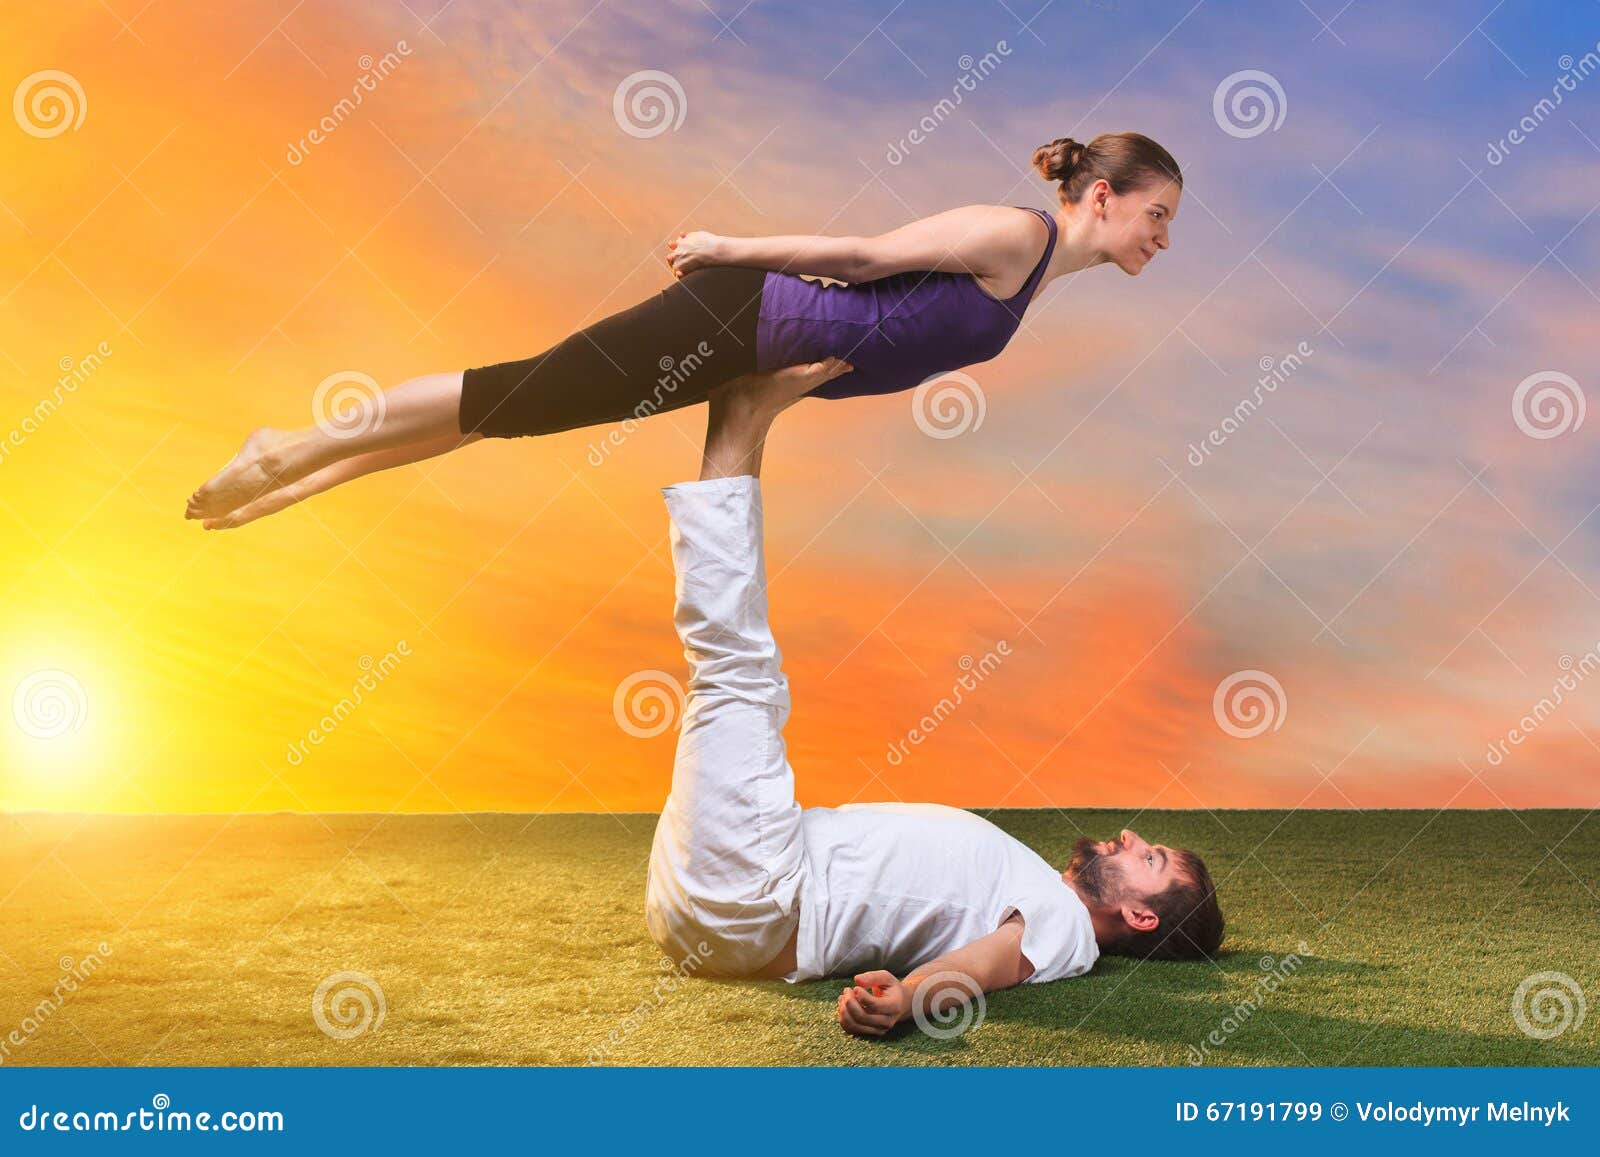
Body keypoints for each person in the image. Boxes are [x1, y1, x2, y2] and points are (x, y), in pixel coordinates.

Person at [185, 132, 1181, 529]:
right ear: (1103, 194)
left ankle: (293, 478)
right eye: (1157, 215)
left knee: (509, 413)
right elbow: (867, 256)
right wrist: (728, 242)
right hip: (738, 320)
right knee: (506, 394)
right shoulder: (1017, 233)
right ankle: (285, 449)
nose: (1161, 238)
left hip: (748, 354)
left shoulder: (1039, 270)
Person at [646, 357, 1223, 1039]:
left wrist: (910, 998)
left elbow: (989, 964)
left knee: (736, 668)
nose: (1130, 836)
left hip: (757, 891)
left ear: (1141, 916)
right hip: (753, 880)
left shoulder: (1068, 930)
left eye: (1148, 858)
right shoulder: (1041, 891)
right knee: (749, 679)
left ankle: (740, 412)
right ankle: (743, 412)